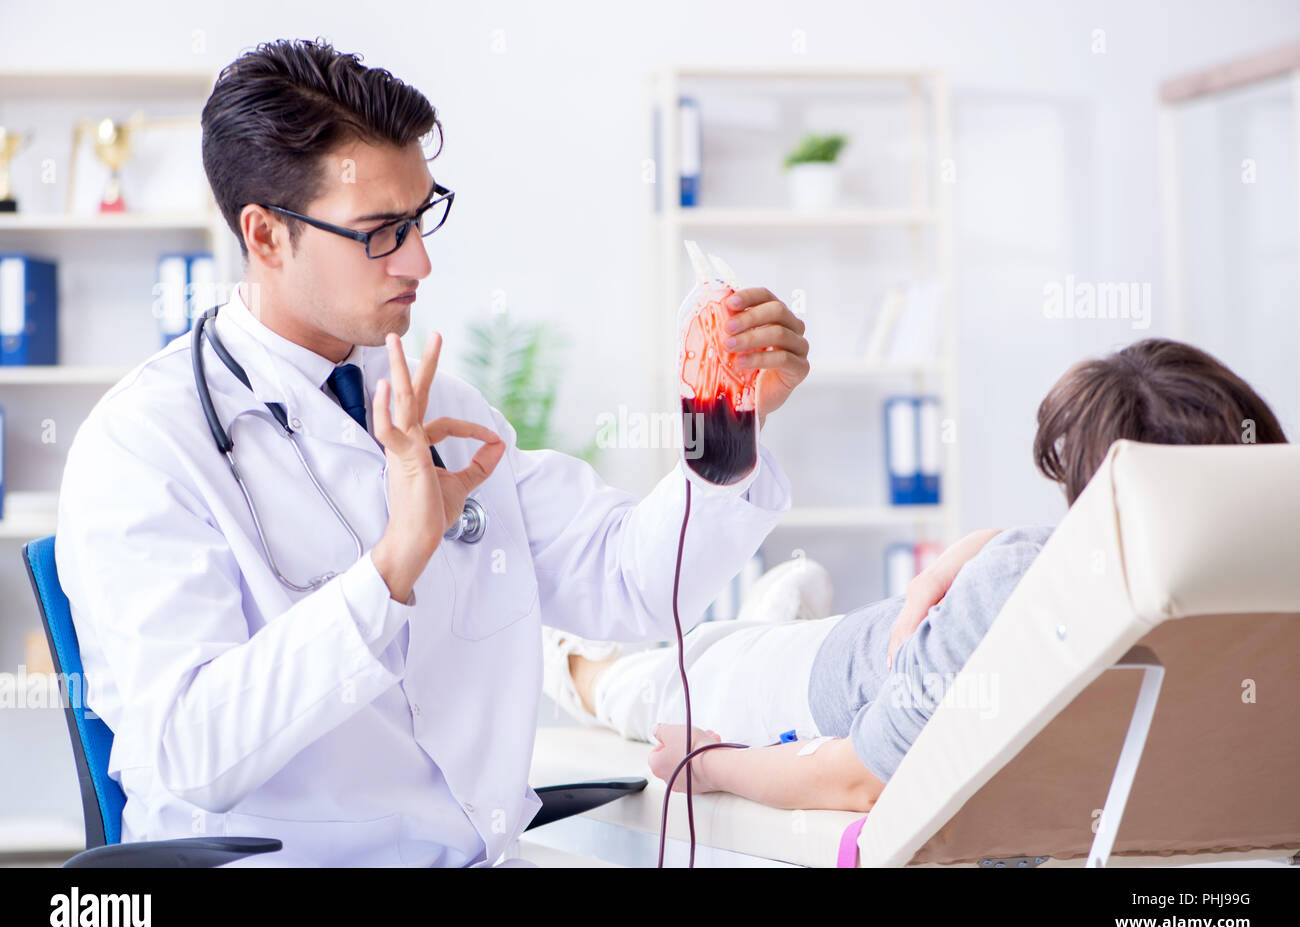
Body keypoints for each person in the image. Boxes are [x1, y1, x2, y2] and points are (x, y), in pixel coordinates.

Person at [54, 38, 811, 867]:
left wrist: (725, 426)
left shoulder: (442, 404)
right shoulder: (145, 443)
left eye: (420, 217)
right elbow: (193, 752)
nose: (419, 259)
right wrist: (390, 568)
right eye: (381, 231)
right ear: (266, 236)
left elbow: (627, 582)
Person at [546, 338, 1289, 813]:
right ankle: (564, 653)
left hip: (863, 654)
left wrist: (981, 548)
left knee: (741, 639)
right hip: (793, 691)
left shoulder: (1058, 582)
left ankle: (770, 617)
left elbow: (858, 777)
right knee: (632, 687)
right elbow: (854, 777)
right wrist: (712, 761)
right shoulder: (1251, 586)